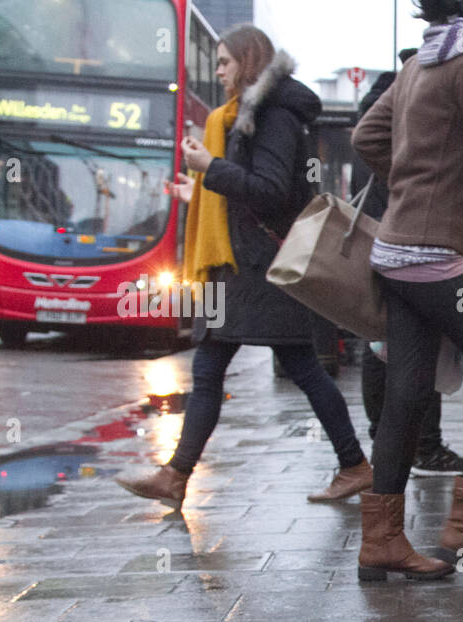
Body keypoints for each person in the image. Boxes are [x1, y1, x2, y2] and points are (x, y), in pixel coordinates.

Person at [116, 25, 370, 511]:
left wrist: (210, 167)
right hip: (238, 266)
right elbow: (252, 192)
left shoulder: (272, 115)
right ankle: (177, 475)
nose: (218, 73)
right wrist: (203, 188)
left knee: (297, 367)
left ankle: (354, 464)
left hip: (257, 266)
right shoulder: (245, 115)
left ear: (248, 62)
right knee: (219, 365)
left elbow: (271, 190)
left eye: (224, 63)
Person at [351, 0, 463, 581]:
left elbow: (365, 137)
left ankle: (382, 540)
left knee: (407, 390)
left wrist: (416, 185)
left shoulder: (421, 60)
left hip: (396, 250)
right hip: (432, 257)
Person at [352, 54, 463, 477]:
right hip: (402, 235)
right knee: (408, 342)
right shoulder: (399, 96)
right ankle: (417, 446)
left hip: (387, 234)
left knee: (385, 340)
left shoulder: (385, 99)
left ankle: (394, 442)